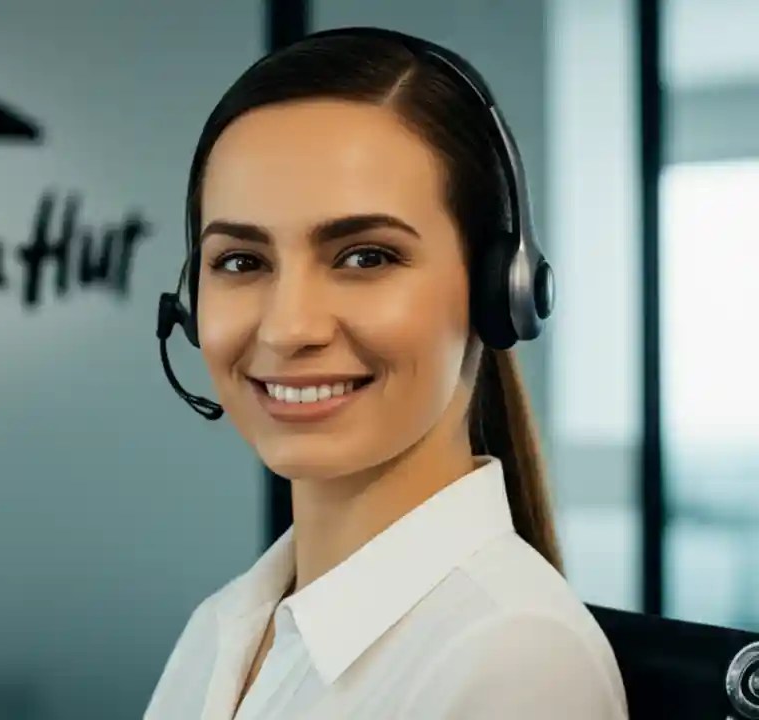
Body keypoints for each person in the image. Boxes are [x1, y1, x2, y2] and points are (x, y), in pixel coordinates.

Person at [144, 28, 628, 719]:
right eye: (242, 261)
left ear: (497, 290)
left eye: (365, 257)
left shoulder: (514, 660)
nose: (289, 328)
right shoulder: (226, 629)